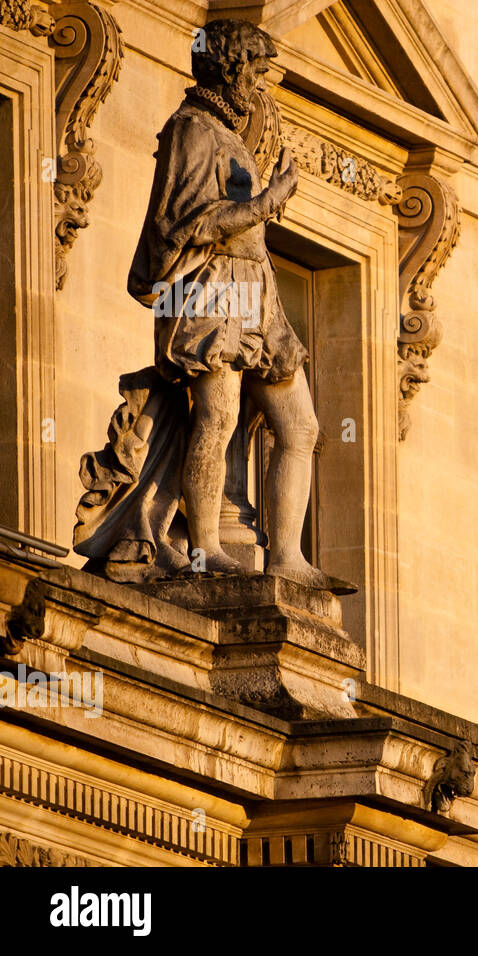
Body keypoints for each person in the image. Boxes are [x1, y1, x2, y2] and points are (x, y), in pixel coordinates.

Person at [78, 18, 326, 588]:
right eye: (258, 71)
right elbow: (181, 226)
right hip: (210, 290)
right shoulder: (191, 129)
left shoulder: (230, 133)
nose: (262, 85)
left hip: (255, 290)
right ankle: (205, 547)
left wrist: (265, 204)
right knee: (217, 416)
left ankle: (287, 556)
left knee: (302, 426)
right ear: (231, 67)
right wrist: (266, 202)